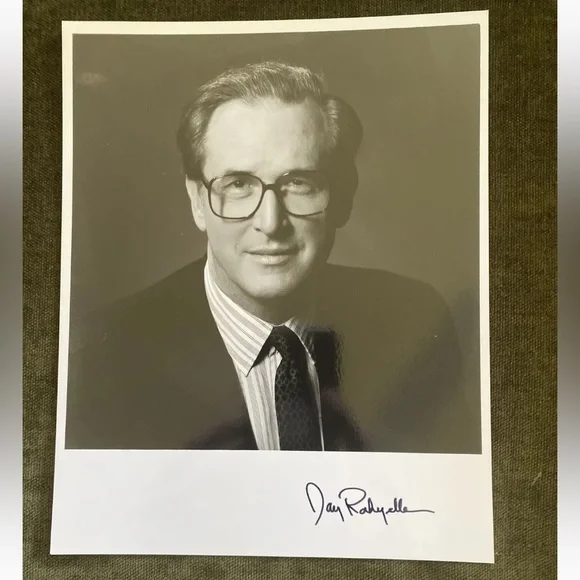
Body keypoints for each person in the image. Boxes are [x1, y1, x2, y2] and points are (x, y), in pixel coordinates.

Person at [65, 61, 480, 453]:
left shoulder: (414, 321)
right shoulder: (107, 359)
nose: (270, 222)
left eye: (299, 182)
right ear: (196, 201)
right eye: (238, 184)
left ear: (342, 197)